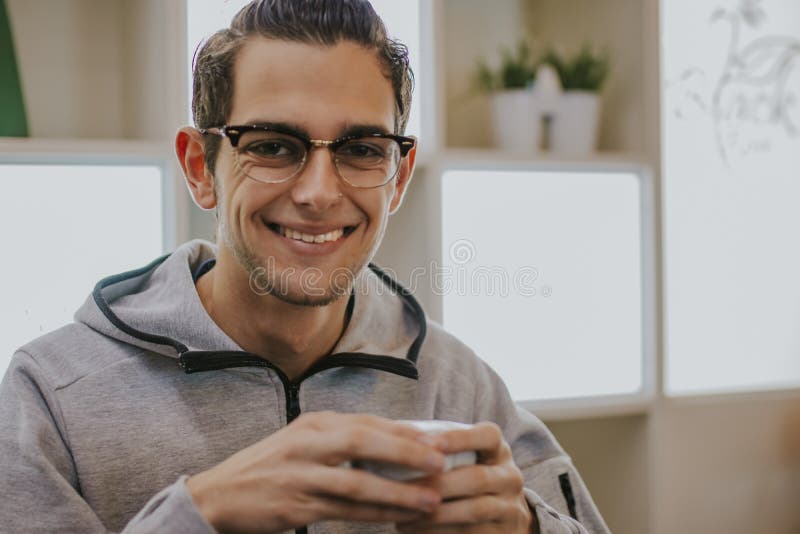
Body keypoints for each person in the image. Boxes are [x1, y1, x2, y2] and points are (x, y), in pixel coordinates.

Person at [0, 1, 610, 532]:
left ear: (397, 176)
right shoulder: (50, 395)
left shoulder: (458, 384)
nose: (319, 192)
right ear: (198, 167)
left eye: (362, 150)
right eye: (271, 145)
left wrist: (525, 528)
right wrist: (199, 514)